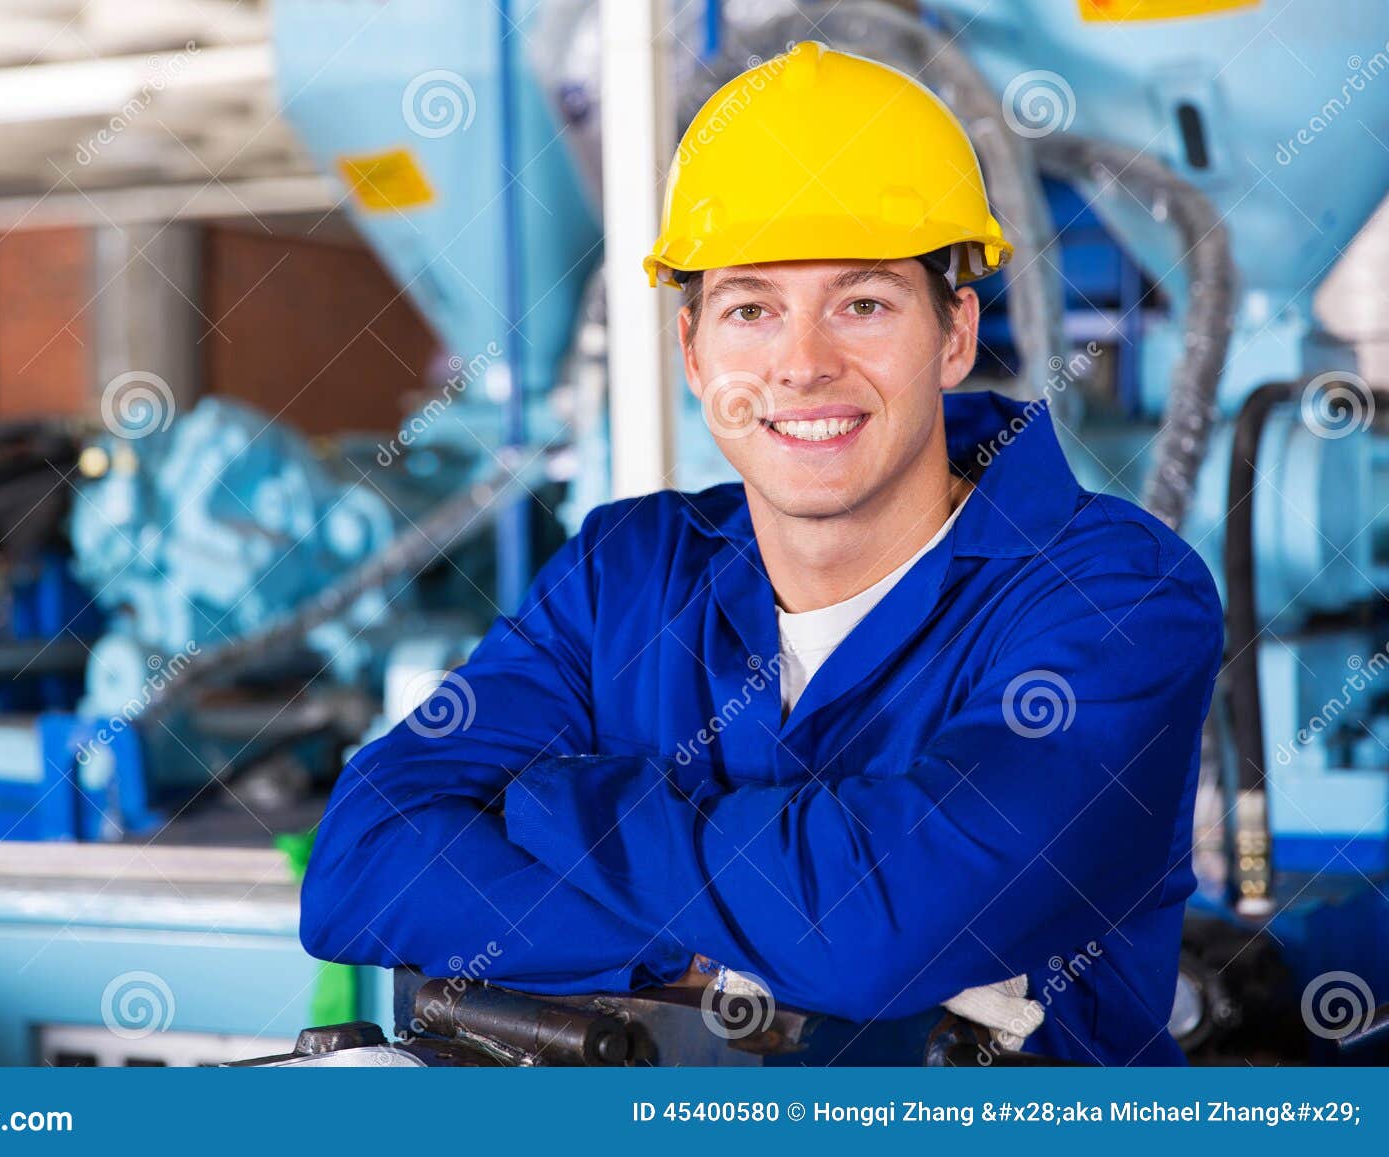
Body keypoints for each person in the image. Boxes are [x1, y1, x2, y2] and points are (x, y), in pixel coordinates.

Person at [300, 41, 1223, 1065]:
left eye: (861, 303)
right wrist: (737, 958)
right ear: (694, 352)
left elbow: (877, 925)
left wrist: (558, 804)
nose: (802, 364)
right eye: (751, 309)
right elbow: (361, 864)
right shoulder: (626, 573)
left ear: (954, 334)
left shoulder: (1114, 596)